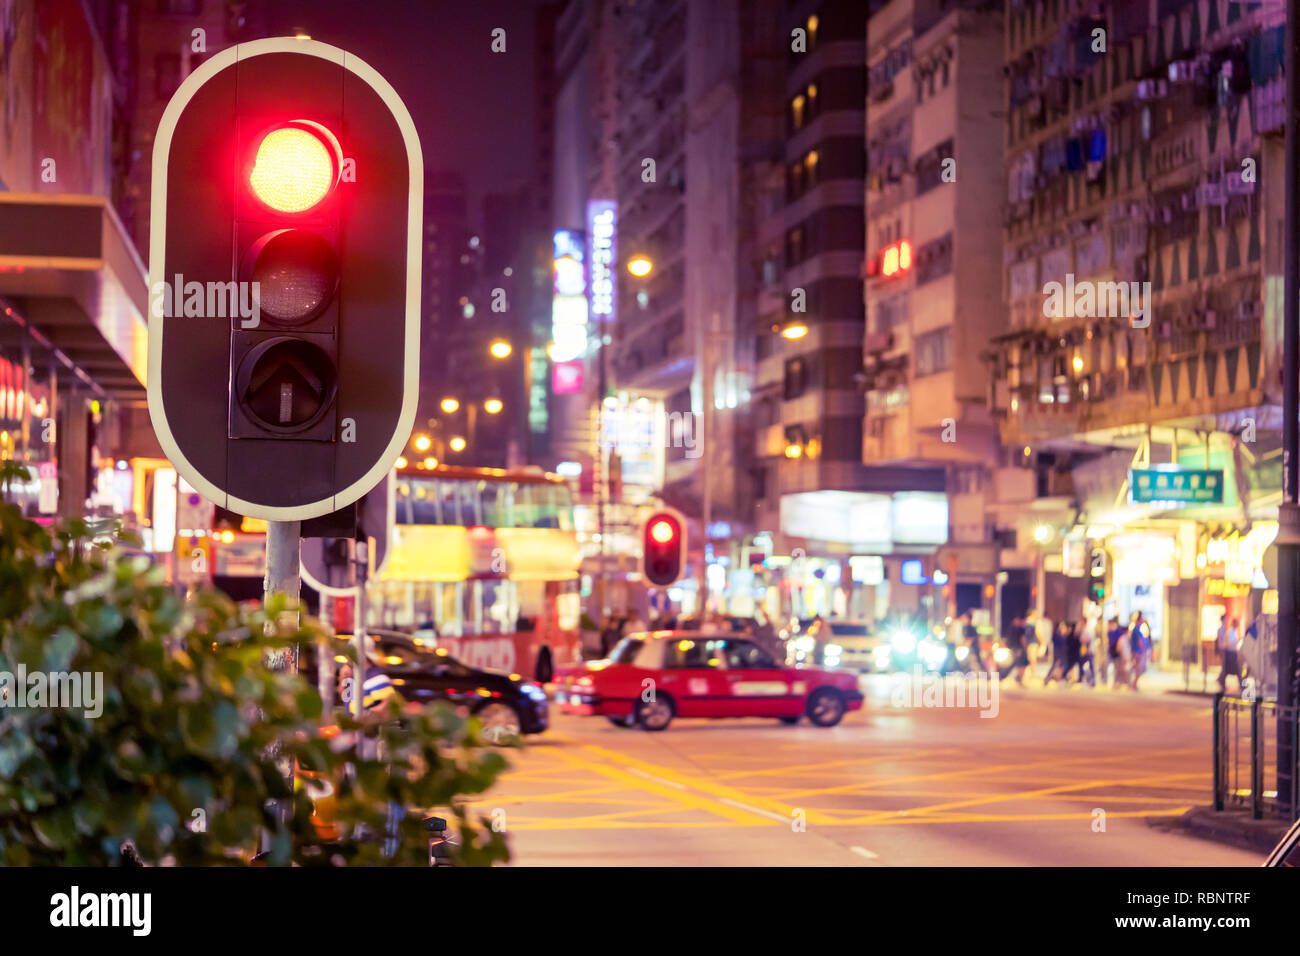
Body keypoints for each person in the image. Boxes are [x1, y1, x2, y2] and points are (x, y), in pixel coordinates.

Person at [1217, 615, 1242, 692]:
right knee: (1233, 669)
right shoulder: (1228, 631)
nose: (1238, 624)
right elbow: (1226, 643)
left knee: (1228, 669)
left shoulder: (1234, 631)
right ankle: (1222, 681)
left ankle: (1221, 680)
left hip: (1232, 652)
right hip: (1228, 652)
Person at [1128, 611, 1151, 690]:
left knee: (1137, 669)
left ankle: (1133, 683)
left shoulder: (1136, 629)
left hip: (1136, 651)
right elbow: (1140, 642)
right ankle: (1133, 684)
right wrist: (1144, 651)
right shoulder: (1136, 629)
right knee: (1139, 669)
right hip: (1137, 652)